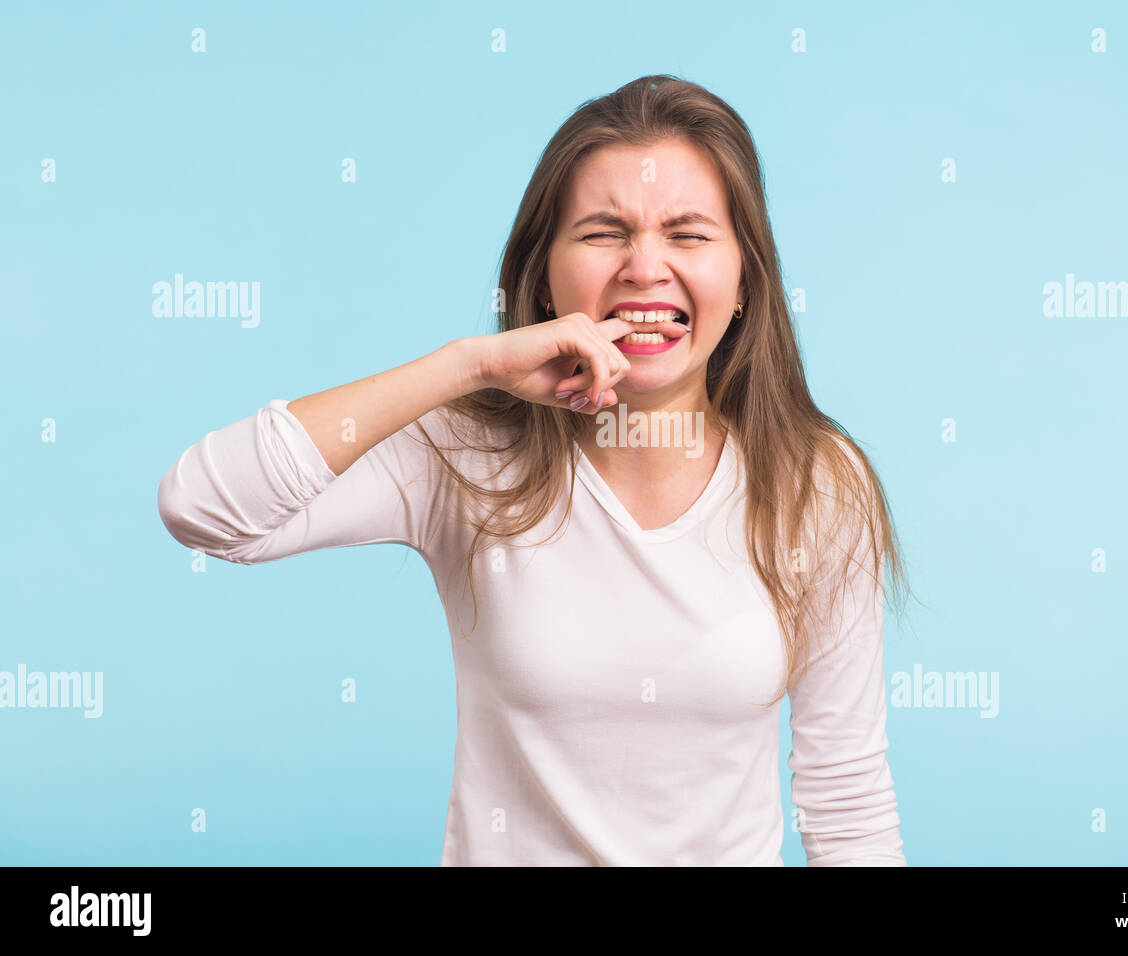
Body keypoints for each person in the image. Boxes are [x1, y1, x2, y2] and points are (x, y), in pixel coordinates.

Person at [157, 74, 911, 866]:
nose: (644, 267)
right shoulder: (466, 454)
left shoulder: (817, 484)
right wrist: (466, 365)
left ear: (747, 277)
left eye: (687, 234)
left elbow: (847, 796)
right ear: (543, 276)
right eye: (602, 233)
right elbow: (204, 507)